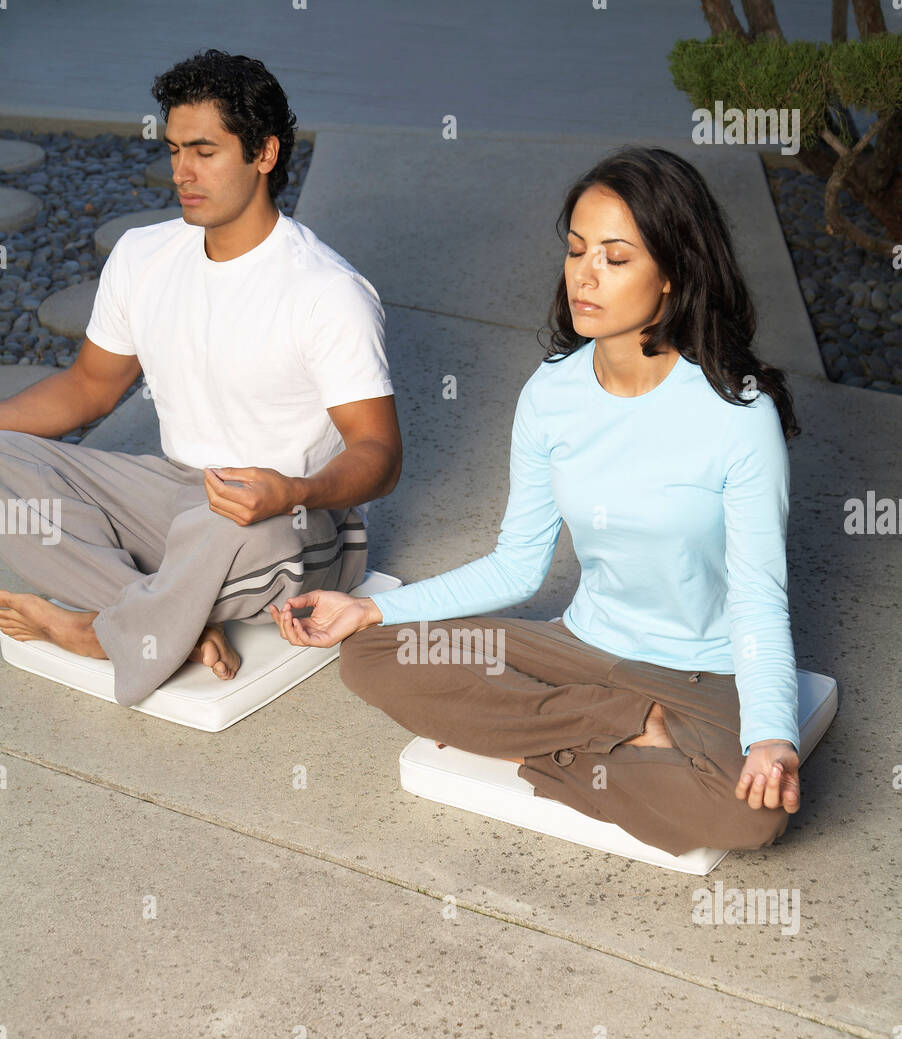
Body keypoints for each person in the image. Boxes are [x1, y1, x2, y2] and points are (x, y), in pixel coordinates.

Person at [268, 147, 801, 857]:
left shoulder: (738, 415)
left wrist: (771, 735)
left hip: (702, 674)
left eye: (616, 258)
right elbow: (518, 565)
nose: (585, 274)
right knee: (371, 657)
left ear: (672, 276)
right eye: (577, 250)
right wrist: (368, 609)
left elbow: (759, 597)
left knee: (750, 818)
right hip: (579, 647)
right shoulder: (552, 394)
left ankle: (537, 744)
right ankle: (620, 732)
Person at [0, 49, 401, 708]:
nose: (181, 171)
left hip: (292, 521)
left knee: (223, 533)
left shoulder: (327, 292)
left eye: (205, 151)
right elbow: (86, 388)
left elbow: (379, 454)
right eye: (174, 149)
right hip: (172, 494)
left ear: (264, 154)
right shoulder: (144, 256)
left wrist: (291, 490)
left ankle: (94, 629)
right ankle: (164, 624)